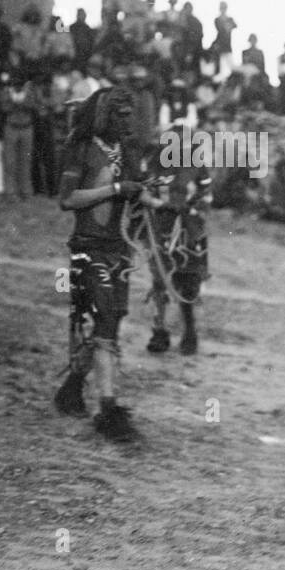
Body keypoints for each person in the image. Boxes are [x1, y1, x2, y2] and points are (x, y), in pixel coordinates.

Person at [53, 86, 165, 439]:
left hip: (119, 249)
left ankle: (72, 386)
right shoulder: (82, 148)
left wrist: (159, 204)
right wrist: (116, 190)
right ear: (105, 116)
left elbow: (138, 191)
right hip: (89, 246)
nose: (129, 121)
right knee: (104, 317)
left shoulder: (126, 151)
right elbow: (68, 199)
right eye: (122, 115)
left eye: (130, 114)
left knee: (110, 322)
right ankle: (108, 406)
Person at [142, 130, 212, 356]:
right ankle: (159, 331)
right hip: (161, 228)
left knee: (188, 280)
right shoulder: (156, 164)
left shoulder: (197, 165)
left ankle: (190, 331)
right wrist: (158, 205)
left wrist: (193, 208)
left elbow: (207, 195)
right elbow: (144, 192)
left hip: (189, 230)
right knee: (160, 279)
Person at [0, 74, 40, 200]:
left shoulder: (30, 91)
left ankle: (25, 192)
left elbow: (33, 106)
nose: (18, 87)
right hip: (11, 127)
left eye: (20, 85)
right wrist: (17, 102)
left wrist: (18, 102)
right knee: (10, 161)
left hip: (27, 127)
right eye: (16, 85)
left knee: (25, 161)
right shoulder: (6, 92)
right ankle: (10, 192)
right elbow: (4, 108)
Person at [69, 7, 96, 74]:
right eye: (80, 14)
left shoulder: (88, 28)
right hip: (75, 55)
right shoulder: (72, 27)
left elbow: (91, 42)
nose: (82, 16)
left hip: (85, 56)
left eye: (83, 14)